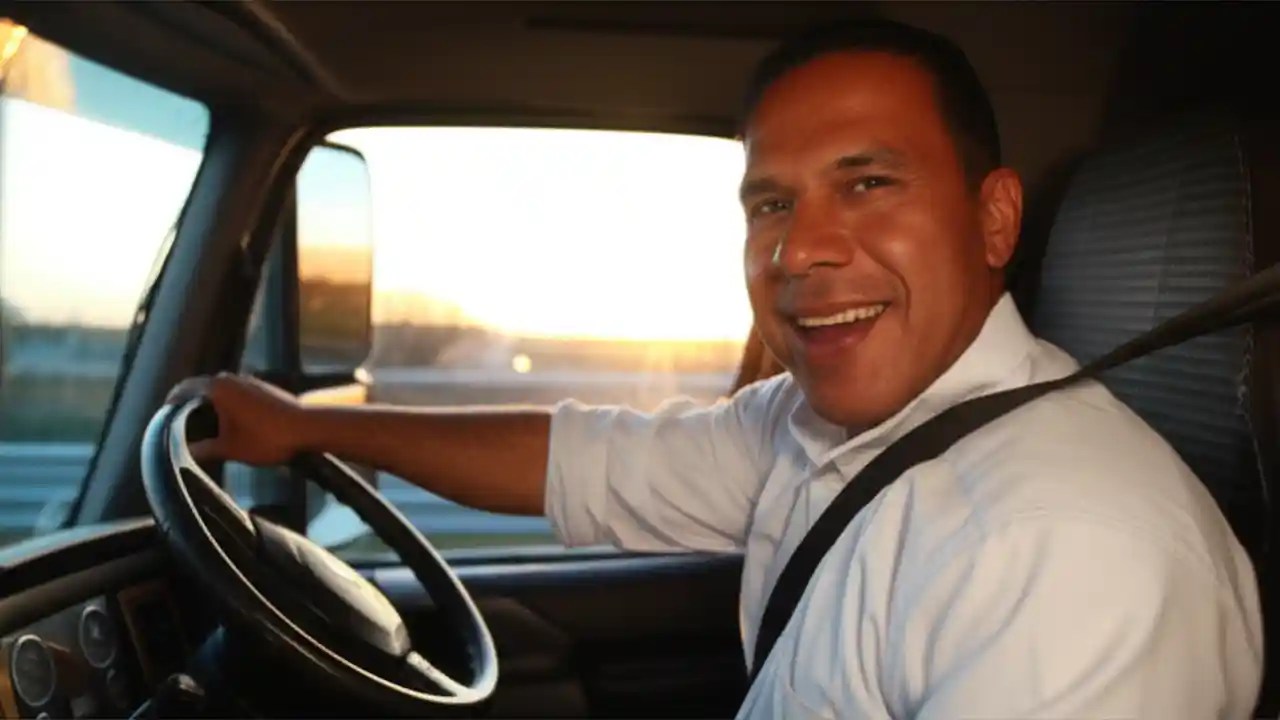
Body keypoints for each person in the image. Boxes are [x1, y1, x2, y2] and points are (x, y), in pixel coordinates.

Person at [172, 18, 1262, 719]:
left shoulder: (1063, 553)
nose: (798, 249)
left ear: (992, 220)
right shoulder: (817, 426)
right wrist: (309, 429)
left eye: (868, 183)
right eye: (770, 203)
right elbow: (582, 460)